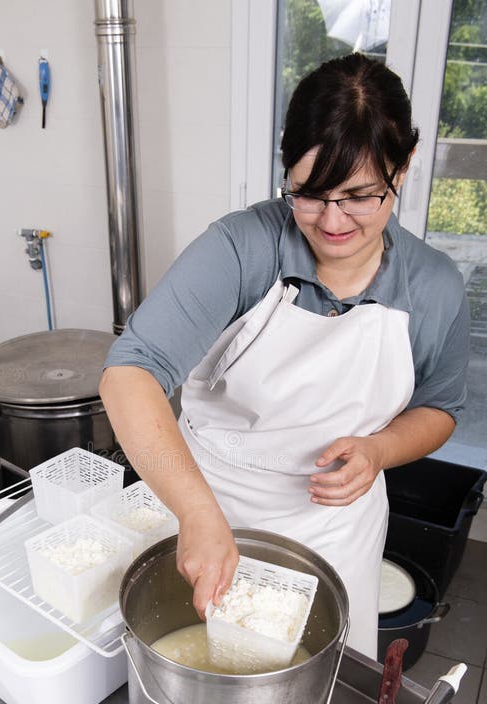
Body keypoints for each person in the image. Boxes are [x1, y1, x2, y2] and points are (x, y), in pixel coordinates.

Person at [99, 53, 470, 659]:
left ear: (400, 172)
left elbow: (441, 407)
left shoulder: (433, 288)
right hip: (207, 502)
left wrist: (379, 450)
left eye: (358, 197)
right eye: (310, 194)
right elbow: (129, 373)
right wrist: (197, 513)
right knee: (194, 668)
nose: (331, 221)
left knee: (317, 694)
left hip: (334, 531)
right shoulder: (241, 247)